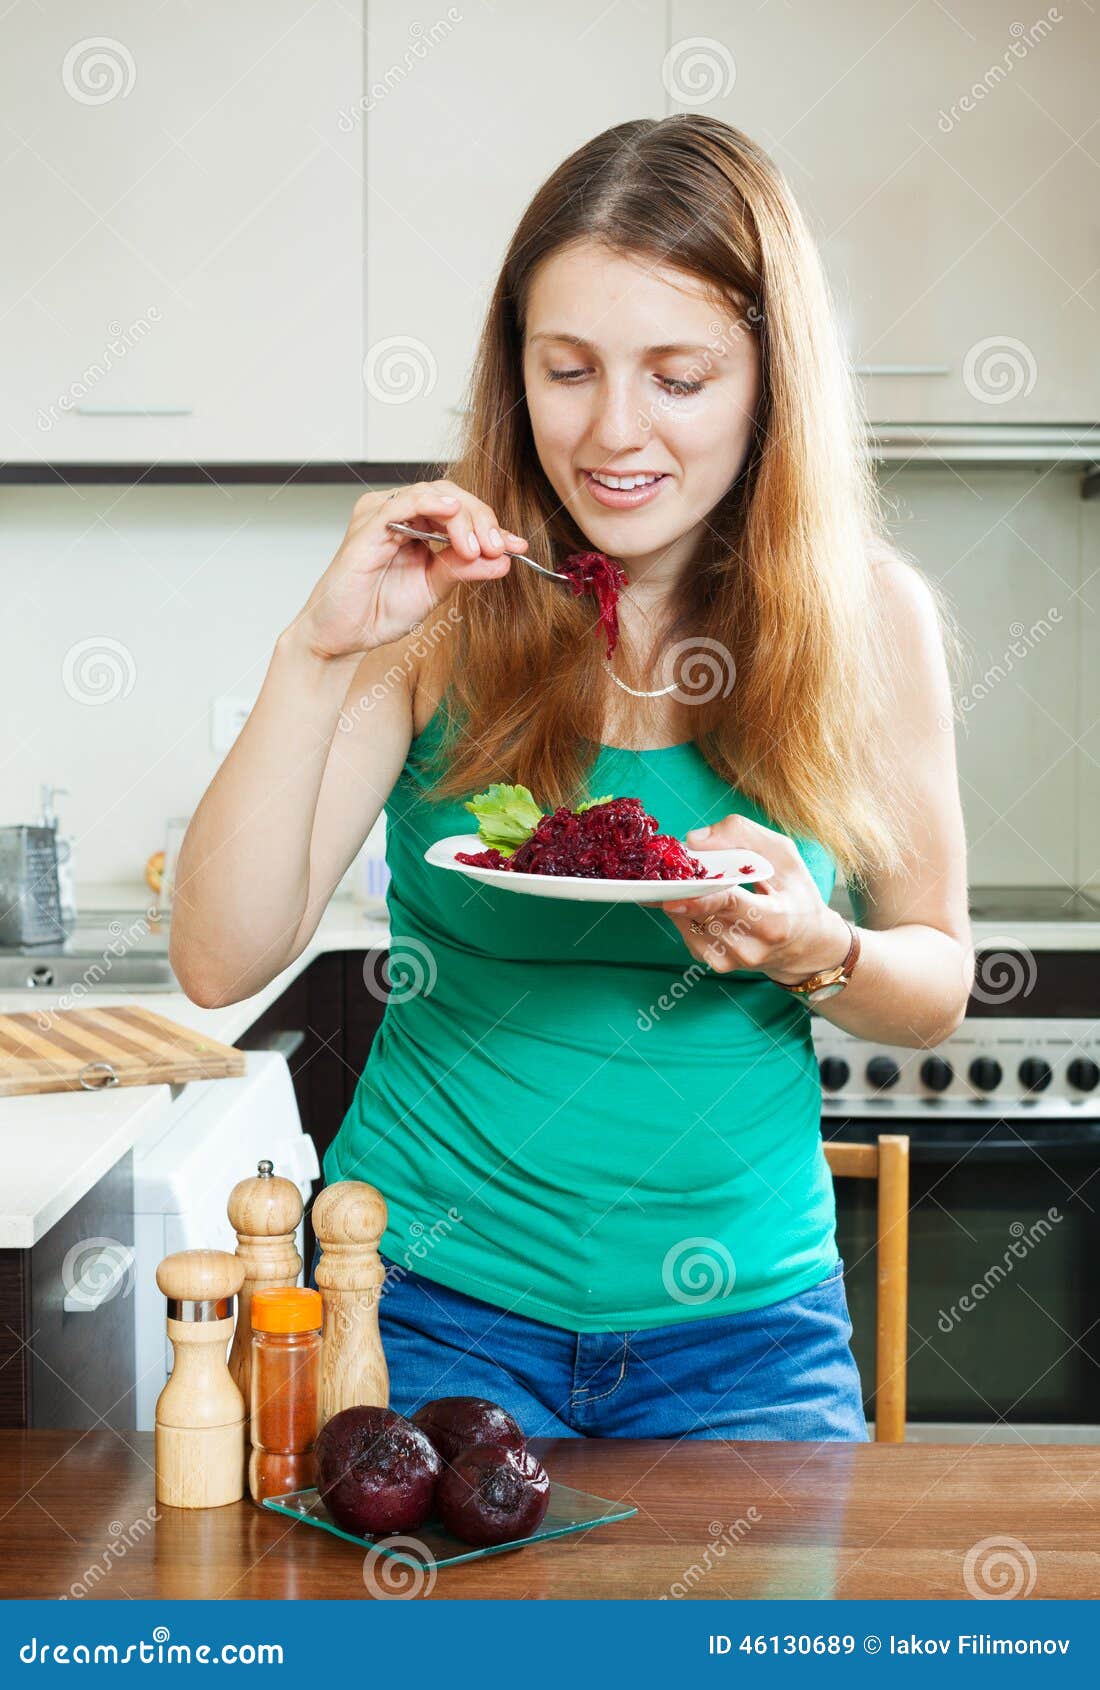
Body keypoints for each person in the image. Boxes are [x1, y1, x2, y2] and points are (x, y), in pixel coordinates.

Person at [171, 115, 972, 1441]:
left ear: (770, 381)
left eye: (679, 376)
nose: (614, 432)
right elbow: (216, 956)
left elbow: (937, 976)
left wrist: (816, 948)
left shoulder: (872, 618)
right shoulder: (439, 603)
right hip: (427, 1305)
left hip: (750, 1339)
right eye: (568, 369)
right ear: (515, 371)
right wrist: (317, 653)